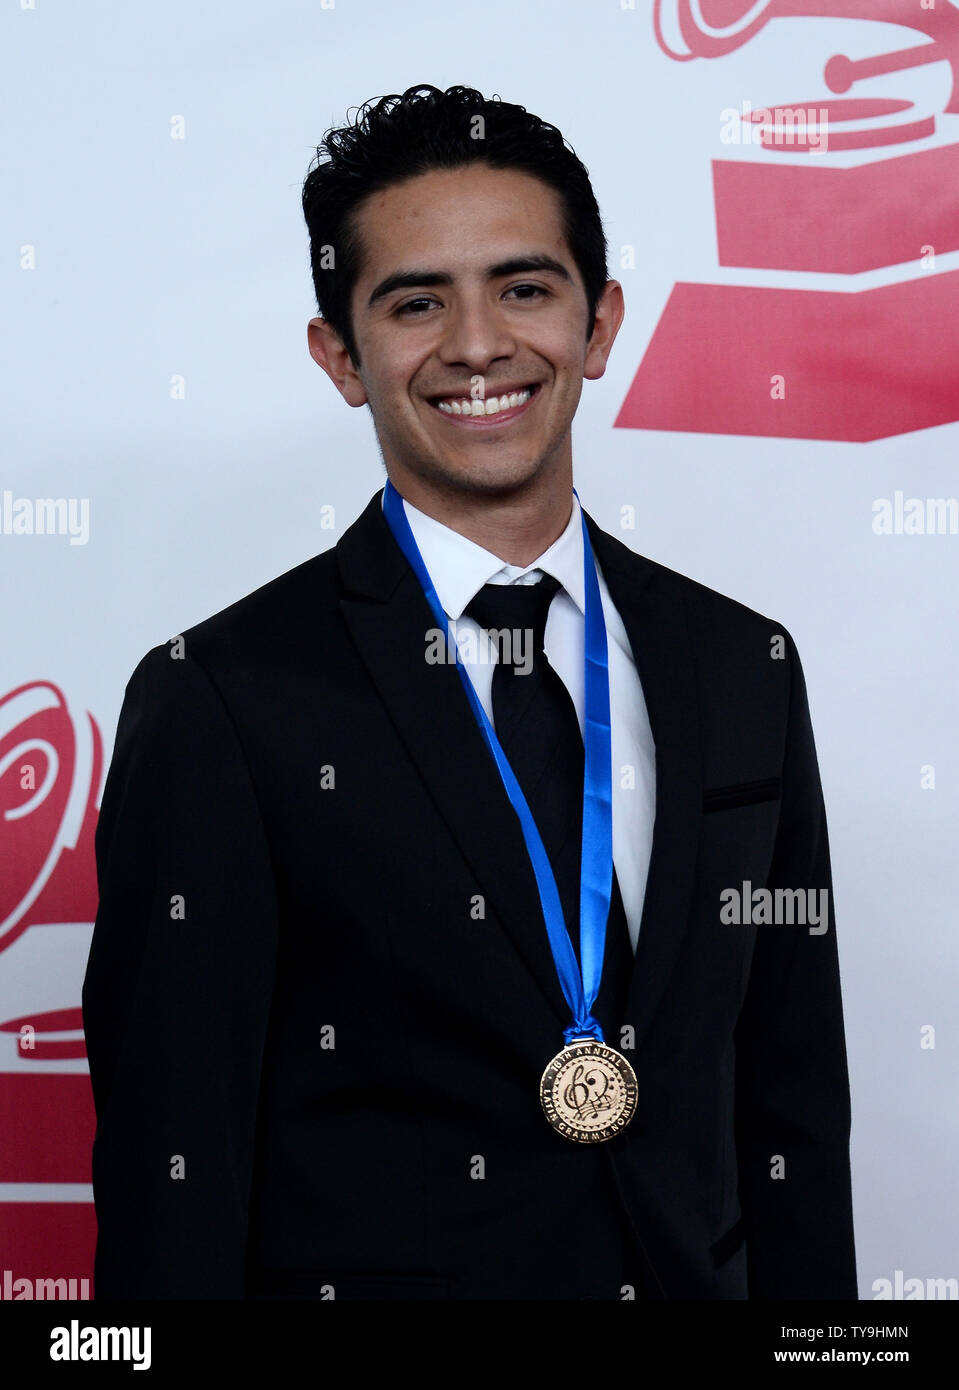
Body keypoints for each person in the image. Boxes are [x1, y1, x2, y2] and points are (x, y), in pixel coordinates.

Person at [82, 83, 857, 1301]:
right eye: (414, 302)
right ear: (340, 356)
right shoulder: (222, 698)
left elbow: (793, 1109)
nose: (478, 343)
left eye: (523, 286)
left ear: (598, 326)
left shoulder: (740, 662)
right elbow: (170, 1169)